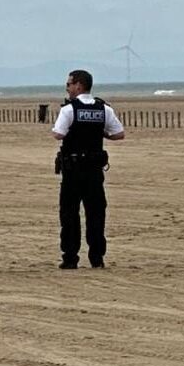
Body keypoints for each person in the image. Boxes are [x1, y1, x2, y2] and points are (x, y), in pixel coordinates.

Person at [52, 69, 124, 269]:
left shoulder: (69, 110)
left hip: (73, 170)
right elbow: (119, 134)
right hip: (94, 171)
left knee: (69, 214)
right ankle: (97, 257)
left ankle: (70, 257)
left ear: (79, 85)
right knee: (96, 214)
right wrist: (100, 134)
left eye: (69, 84)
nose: (67, 88)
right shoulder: (104, 109)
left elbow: (58, 134)